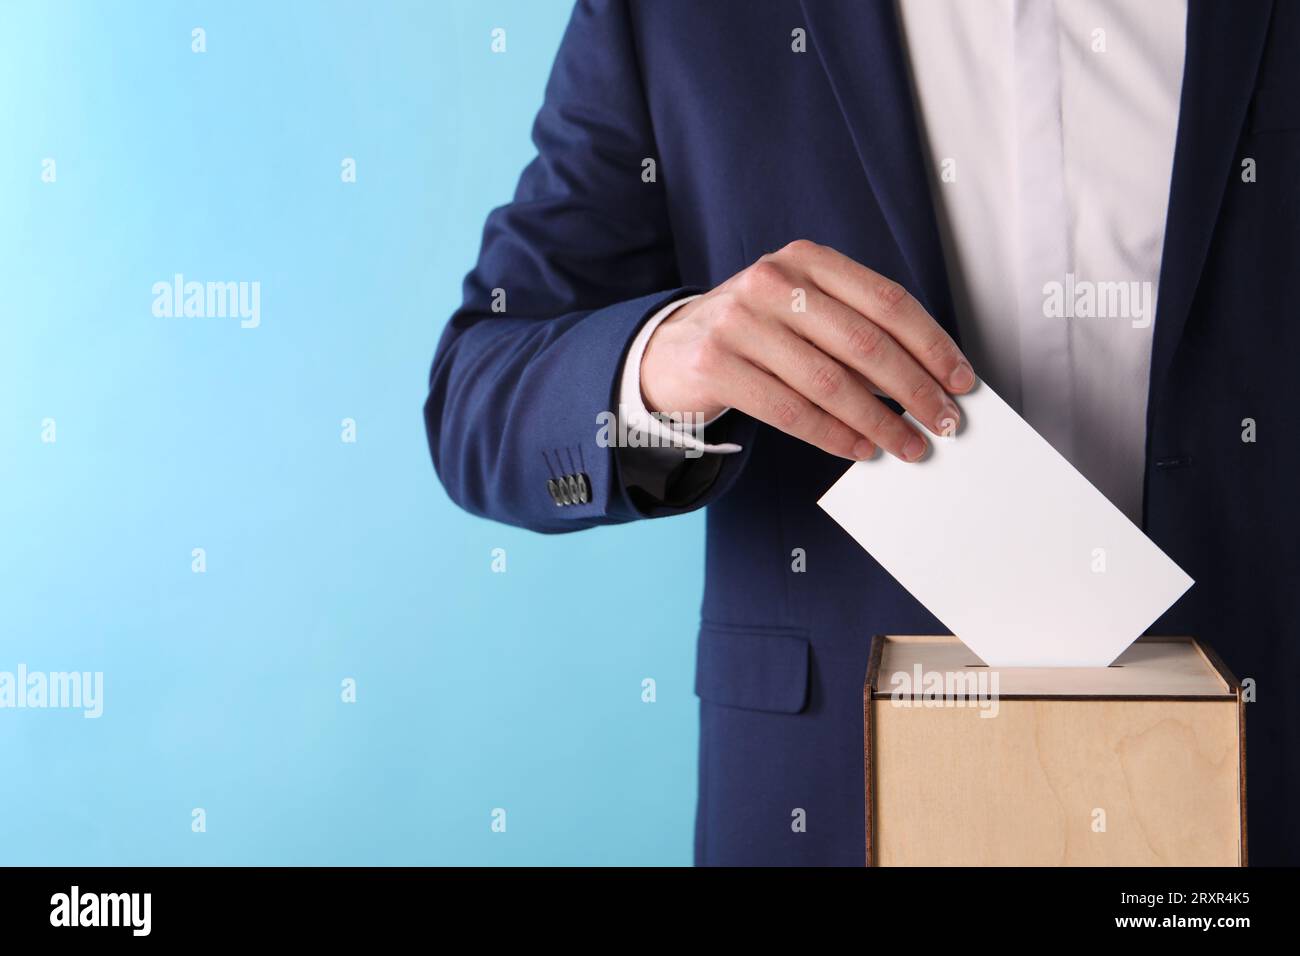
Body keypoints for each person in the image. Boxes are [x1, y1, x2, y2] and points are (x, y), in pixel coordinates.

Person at [425, 0, 1299, 865]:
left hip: (1250, 782)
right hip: (830, 795)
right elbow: (478, 398)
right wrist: (660, 361)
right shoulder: (670, 14)